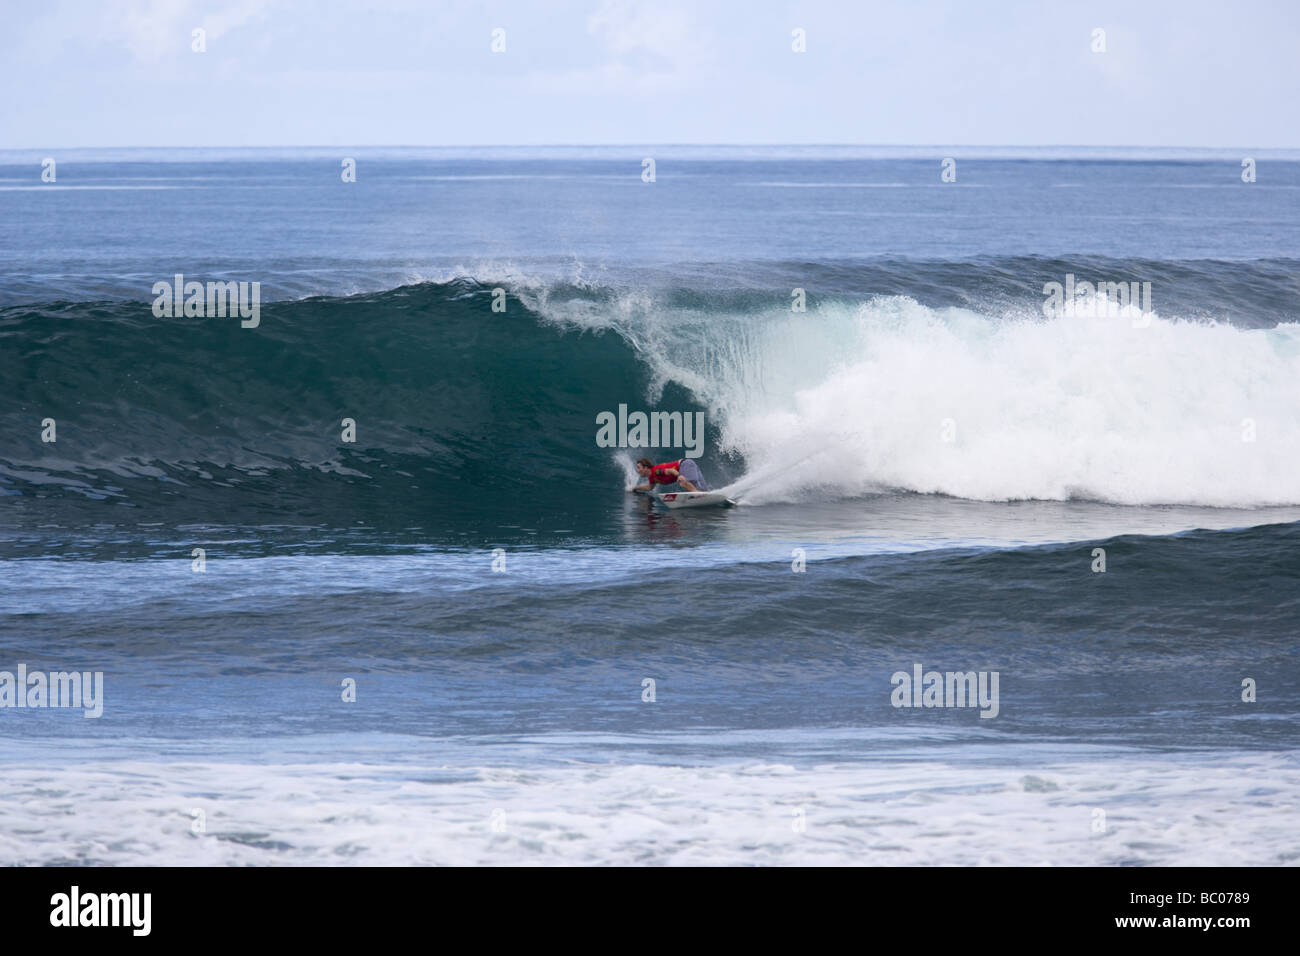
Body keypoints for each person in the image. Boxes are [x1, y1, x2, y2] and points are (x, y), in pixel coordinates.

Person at [632, 457, 710, 493]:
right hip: (688, 464)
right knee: (703, 490)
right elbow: (649, 487)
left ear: (645, 468)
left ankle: (697, 493)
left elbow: (671, 470)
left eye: (639, 468)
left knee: (684, 483)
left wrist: (679, 476)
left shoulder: (656, 471)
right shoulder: (652, 478)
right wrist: (635, 487)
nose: (637, 470)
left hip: (685, 465)